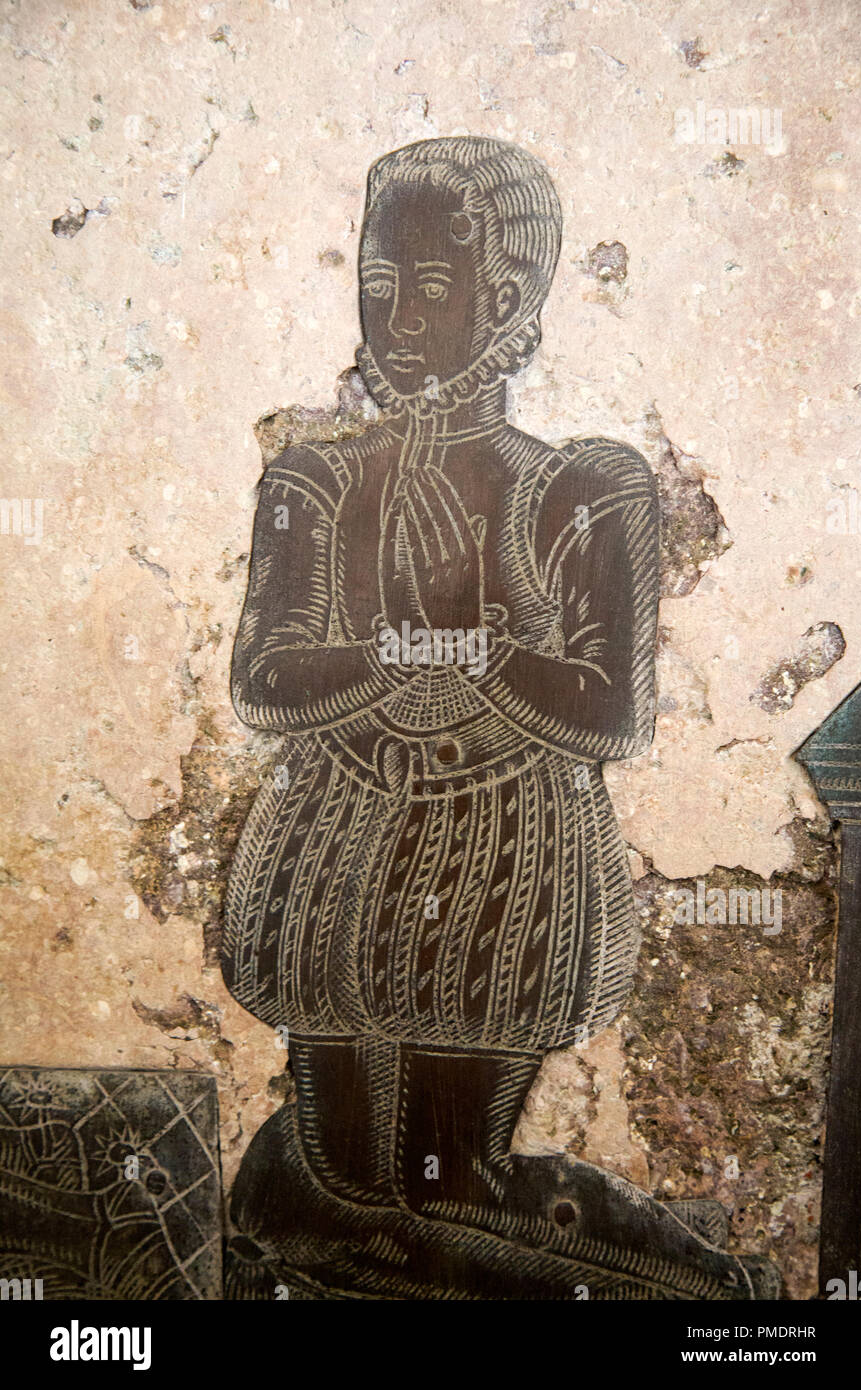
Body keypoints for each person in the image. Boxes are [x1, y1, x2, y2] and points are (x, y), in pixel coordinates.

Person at [223, 137, 761, 1300]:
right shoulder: (313, 480)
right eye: (378, 285)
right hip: (336, 853)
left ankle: (691, 1290)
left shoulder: (580, 486)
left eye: (430, 286)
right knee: (337, 1178)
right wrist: (423, 653)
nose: (398, 317)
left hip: (498, 866)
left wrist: (438, 651)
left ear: (505, 298)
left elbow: (609, 711)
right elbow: (265, 679)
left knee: (442, 1183)